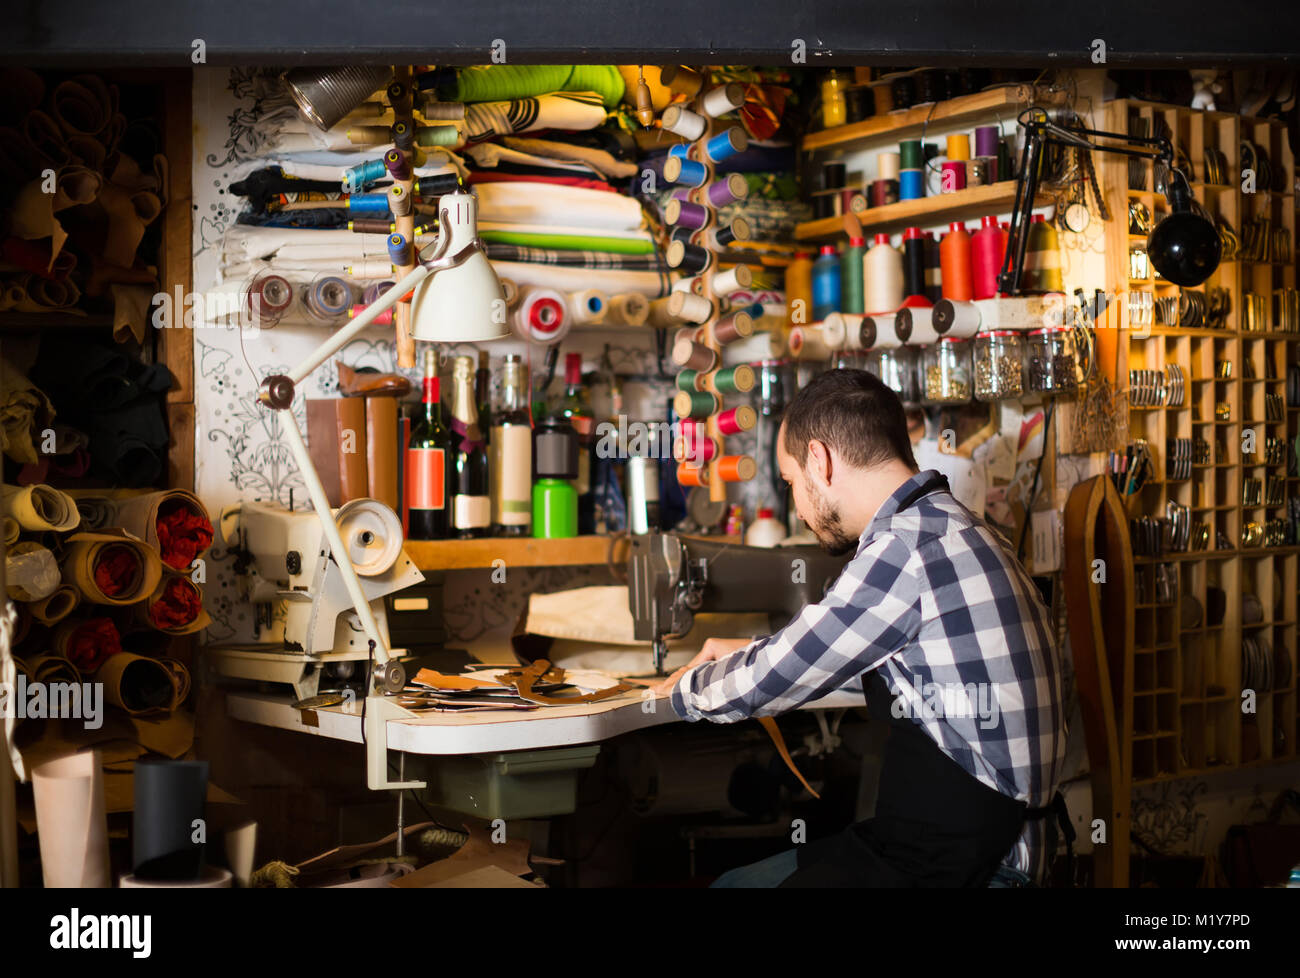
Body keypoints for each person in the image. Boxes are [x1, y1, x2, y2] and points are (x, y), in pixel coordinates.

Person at [652, 369, 1066, 887]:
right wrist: (751, 649)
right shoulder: (960, 526)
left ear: (820, 461)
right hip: (993, 845)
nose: (798, 508)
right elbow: (911, 664)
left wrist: (677, 694)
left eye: (790, 483)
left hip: (978, 867)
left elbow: (780, 674)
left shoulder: (903, 547)